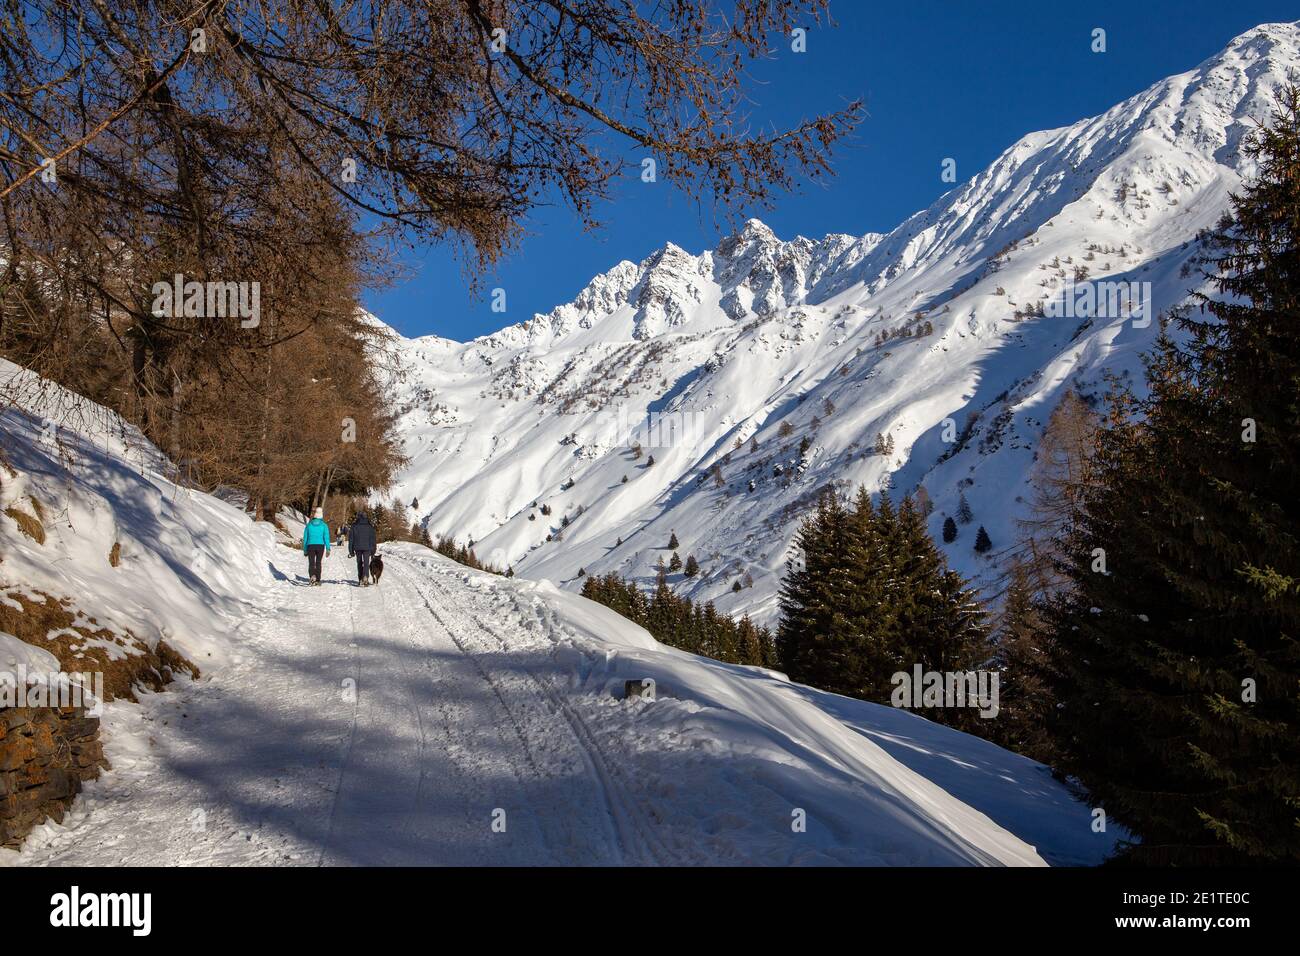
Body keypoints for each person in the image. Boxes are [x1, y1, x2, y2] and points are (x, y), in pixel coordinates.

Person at [302, 507, 331, 585]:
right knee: (318, 562)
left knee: (311, 562)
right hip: (320, 546)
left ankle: (312, 576)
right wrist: (328, 548)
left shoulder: (309, 525)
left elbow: (305, 538)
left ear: (314, 515)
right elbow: (326, 537)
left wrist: (305, 549)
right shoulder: (324, 525)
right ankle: (317, 580)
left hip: (310, 546)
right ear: (321, 515)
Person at [348, 511, 377, 586]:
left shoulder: (354, 526)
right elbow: (373, 539)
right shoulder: (370, 526)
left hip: (357, 548)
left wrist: (351, 551)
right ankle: (365, 577)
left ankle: (360, 579)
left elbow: (351, 539)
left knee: (359, 563)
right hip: (367, 548)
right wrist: (373, 550)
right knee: (366, 563)